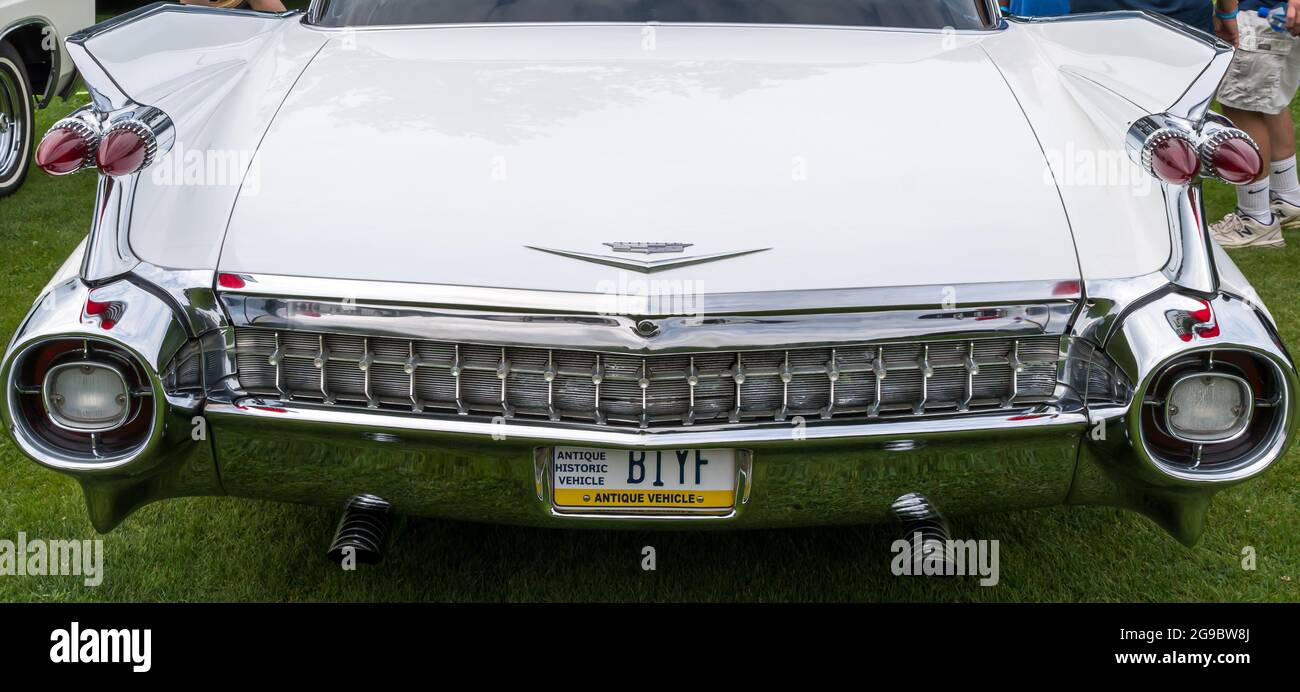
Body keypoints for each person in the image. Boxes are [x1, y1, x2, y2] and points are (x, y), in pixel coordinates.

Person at [1209, 0, 1300, 249]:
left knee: (1242, 108)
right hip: (1280, 17)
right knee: (1268, 102)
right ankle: (1288, 199)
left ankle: (1255, 220)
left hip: (1264, 17)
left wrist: (1225, 11)